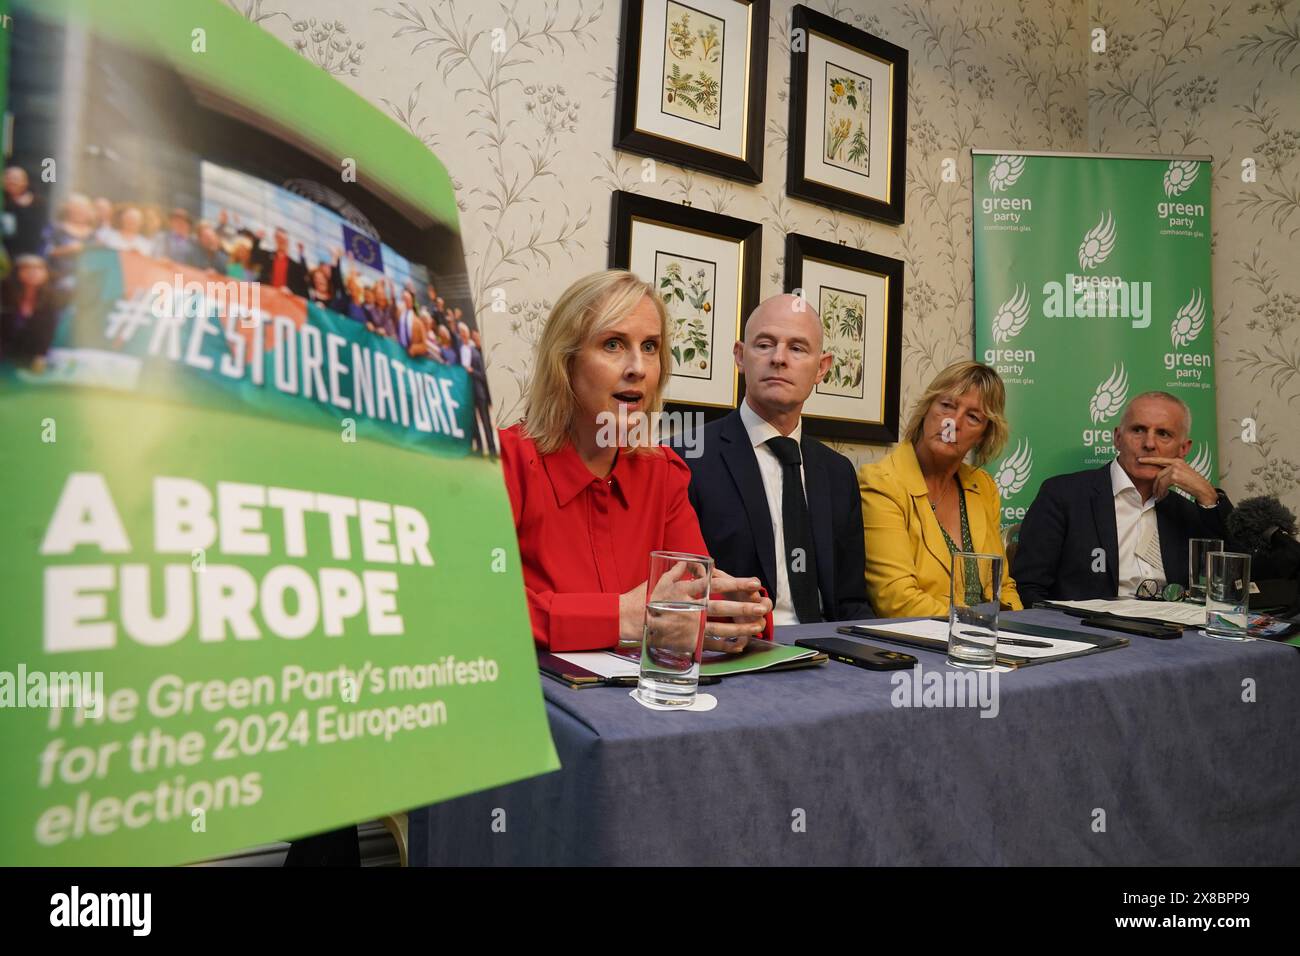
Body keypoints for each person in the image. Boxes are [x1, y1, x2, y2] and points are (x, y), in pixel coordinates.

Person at [500, 268, 772, 652]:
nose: (638, 368)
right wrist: (623, 616)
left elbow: (690, 599)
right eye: (612, 344)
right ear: (566, 362)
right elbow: (476, 603)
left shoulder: (664, 473)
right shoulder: (504, 463)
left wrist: (733, 614)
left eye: (650, 347)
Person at [677, 294, 872, 624]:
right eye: (765, 345)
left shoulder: (838, 473)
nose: (779, 359)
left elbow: (852, 601)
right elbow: (680, 596)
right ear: (740, 356)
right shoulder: (685, 458)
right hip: (738, 650)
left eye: (797, 349)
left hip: (832, 653)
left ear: (822, 368)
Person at [1012, 391, 1233, 606]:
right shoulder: (1063, 495)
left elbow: (1236, 582)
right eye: (1138, 430)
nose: (1149, 444)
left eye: (1163, 434)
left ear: (1183, 449)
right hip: (1090, 633)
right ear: (1118, 438)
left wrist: (1207, 495)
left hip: (1175, 634)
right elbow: (1028, 589)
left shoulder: (1191, 512)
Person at [858, 360, 1024, 617]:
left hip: (990, 643)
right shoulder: (882, 482)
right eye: (946, 405)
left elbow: (1003, 586)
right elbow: (896, 600)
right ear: (927, 409)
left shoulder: (984, 487)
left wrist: (1017, 629)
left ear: (983, 434)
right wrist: (978, 627)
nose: (953, 423)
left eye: (972, 417)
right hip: (919, 645)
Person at [1, 255, 64, 371]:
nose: (33, 272)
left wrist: (41, 356)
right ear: (17, 272)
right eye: (27, 268)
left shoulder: (52, 298)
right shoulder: (4, 293)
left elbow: (47, 331)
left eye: (39, 268)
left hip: (29, 354)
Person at [250, 226, 309, 297]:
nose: (281, 242)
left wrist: (301, 254)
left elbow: (303, 276)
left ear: (287, 241)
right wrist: (257, 239)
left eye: (284, 239)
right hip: (265, 296)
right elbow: (254, 257)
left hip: (284, 300)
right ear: (275, 240)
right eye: (279, 238)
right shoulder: (268, 256)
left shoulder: (294, 265)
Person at [465, 327, 496, 459]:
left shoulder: (484, 353)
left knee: (486, 422)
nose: (475, 339)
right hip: (474, 394)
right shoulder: (472, 351)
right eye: (474, 337)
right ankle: (480, 448)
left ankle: (492, 449)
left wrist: (472, 372)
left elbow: (484, 376)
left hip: (483, 394)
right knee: (475, 422)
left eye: (477, 337)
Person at [2, 166, 46, 257]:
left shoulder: (37, 203)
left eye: (16, 179)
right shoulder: (3, 201)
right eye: (7, 178)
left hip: (27, 253)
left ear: (25, 182)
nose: (11, 181)